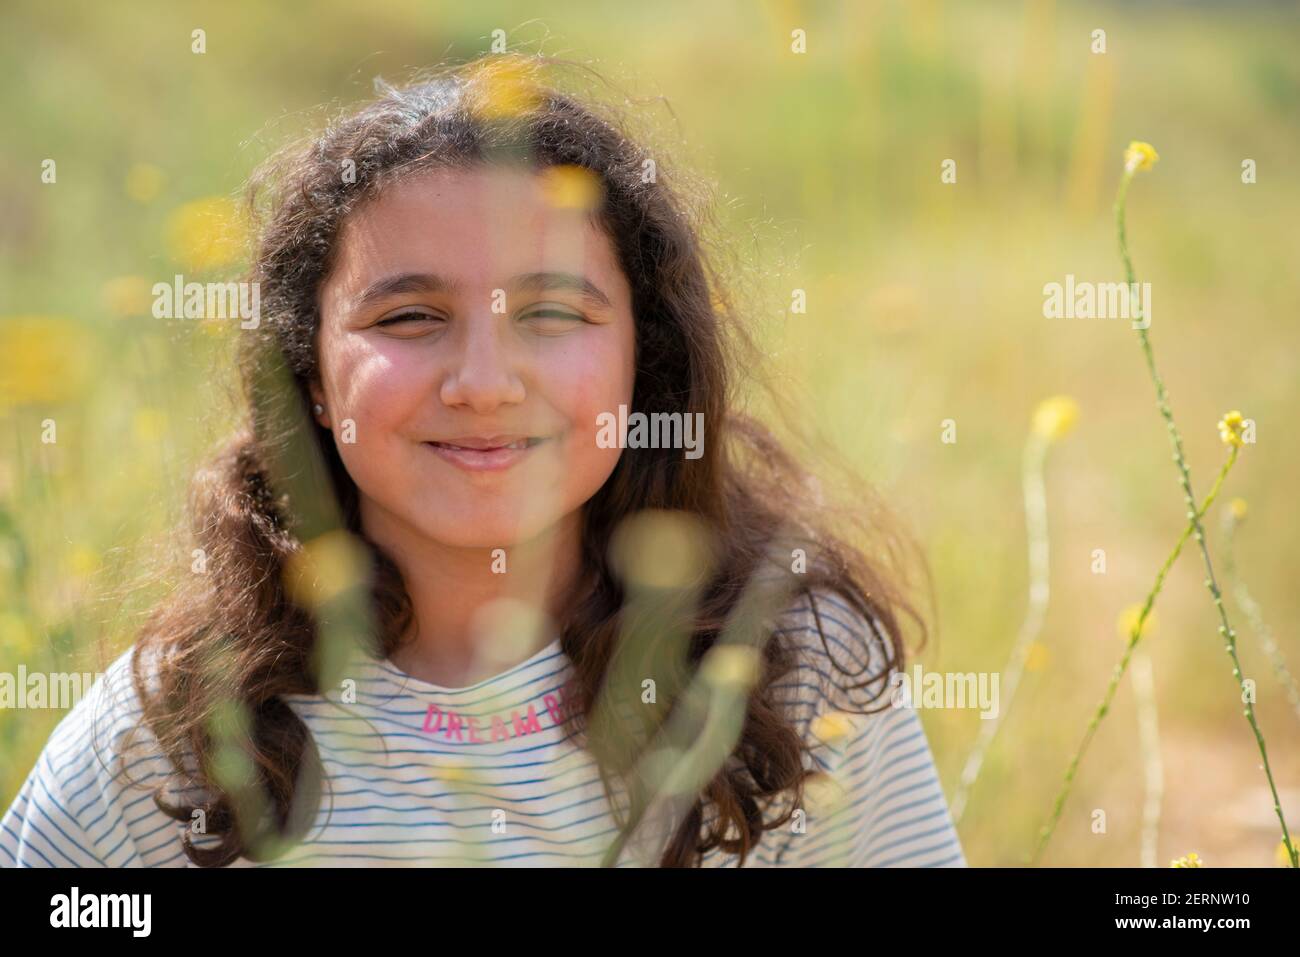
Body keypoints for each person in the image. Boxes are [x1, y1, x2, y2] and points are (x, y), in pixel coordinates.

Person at [1, 55, 965, 868]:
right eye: (409, 317)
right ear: (312, 380)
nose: (484, 381)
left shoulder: (793, 664)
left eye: (551, 313)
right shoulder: (170, 729)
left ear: (646, 358)